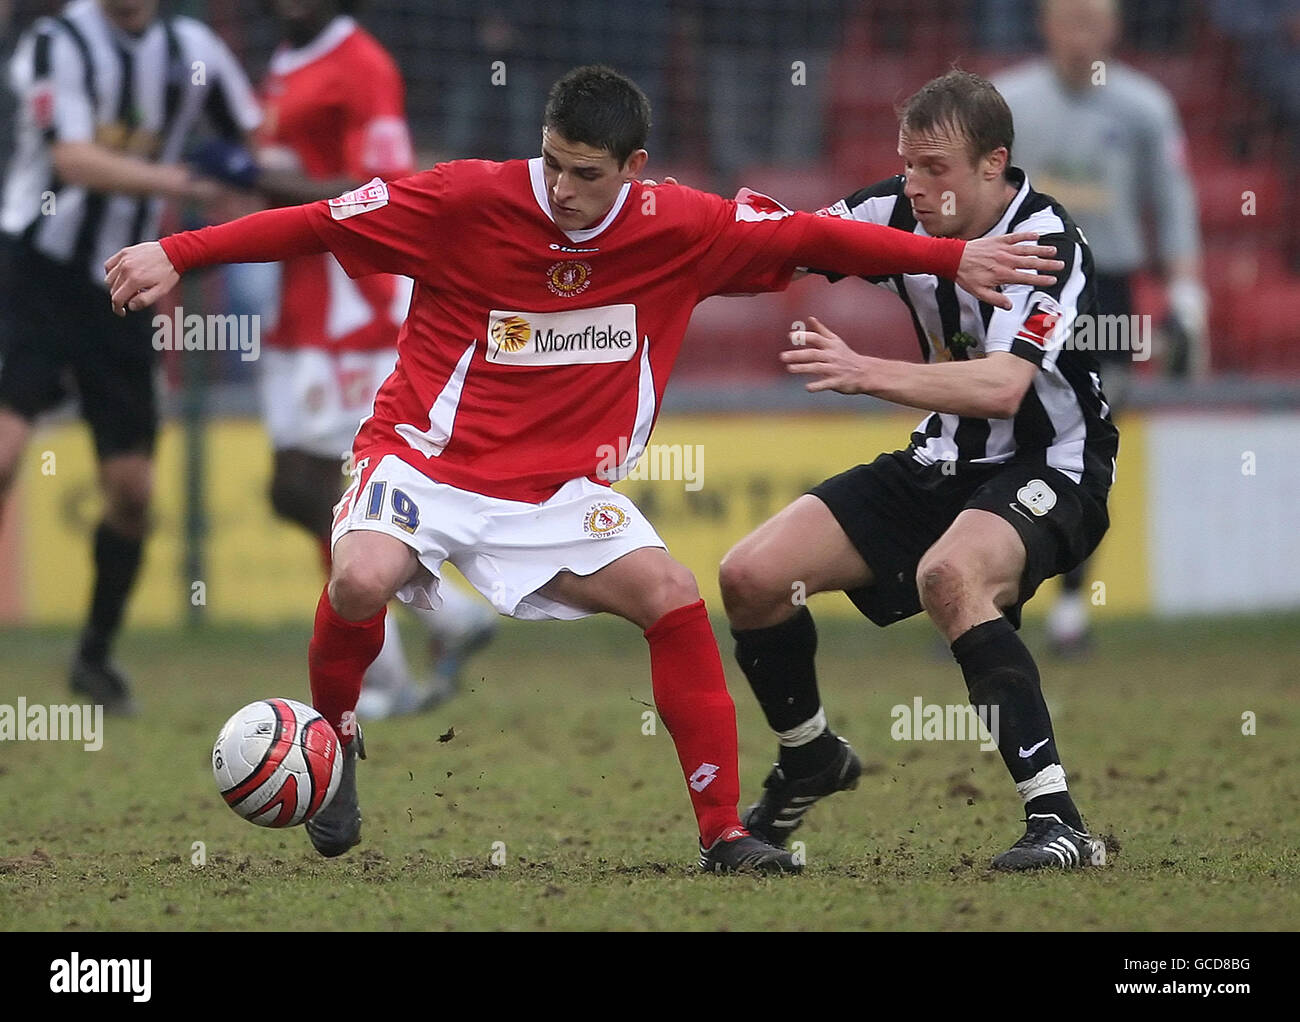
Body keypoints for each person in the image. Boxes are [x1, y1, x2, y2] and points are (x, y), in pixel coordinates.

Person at [103, 65, 1062, 873]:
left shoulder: (678, 225)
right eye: (553, 163)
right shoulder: (463, 199)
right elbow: (314, 222)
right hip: (426, 458)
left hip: (556, 493)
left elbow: (811, 239)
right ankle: (338, 734)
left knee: (674, 595)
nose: (561, 189)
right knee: (360, 577)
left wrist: (947, 256)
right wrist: (175, 252)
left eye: (586, 174)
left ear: (633, 169)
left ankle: (725, 833)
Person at [719, 70, 1115, 871]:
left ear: (993, 165)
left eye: (937, 168)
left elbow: (1005, 387)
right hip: (942, 458)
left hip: (1053, 463)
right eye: (908, 165)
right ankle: (809, 757)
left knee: (950, 576)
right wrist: (695, 226)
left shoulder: (1044, 240)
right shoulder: (893, 209)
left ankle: (1059, 820)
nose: (917, 186)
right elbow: (788, 241)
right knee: (751, 577)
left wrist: (866, 372)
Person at [0, 0, 260, 714]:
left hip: (123, 286)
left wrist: (257, 170)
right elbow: (72, 159)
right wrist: (185, 182)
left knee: (133, 493)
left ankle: (94, 655)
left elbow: (256, 141)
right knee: (5, 454)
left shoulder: (192, 49)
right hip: (36, 275)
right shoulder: (59, 43)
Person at [252, 0, 496, 719]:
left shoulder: (361, 66)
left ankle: (386, 671)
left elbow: (380, 195)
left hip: (351, 310)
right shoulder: (286, 59)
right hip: (302, 308)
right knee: (296, 489)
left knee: (321, 491)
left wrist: (257, 179)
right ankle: (446, 616)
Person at [995, 0, 1206, 653]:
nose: (1080, 34)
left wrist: (1187, 292)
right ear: (1045, 25)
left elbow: (1172, 201)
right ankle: (990, 597)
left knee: (1083, 445)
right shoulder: (1007, 101)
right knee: (1005, 434)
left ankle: (1069, 606)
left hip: (1105, 290)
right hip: (1022, 278)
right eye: (1068, 19)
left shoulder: (1145, 107)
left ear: (1113, 29)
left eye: (1093, 21)